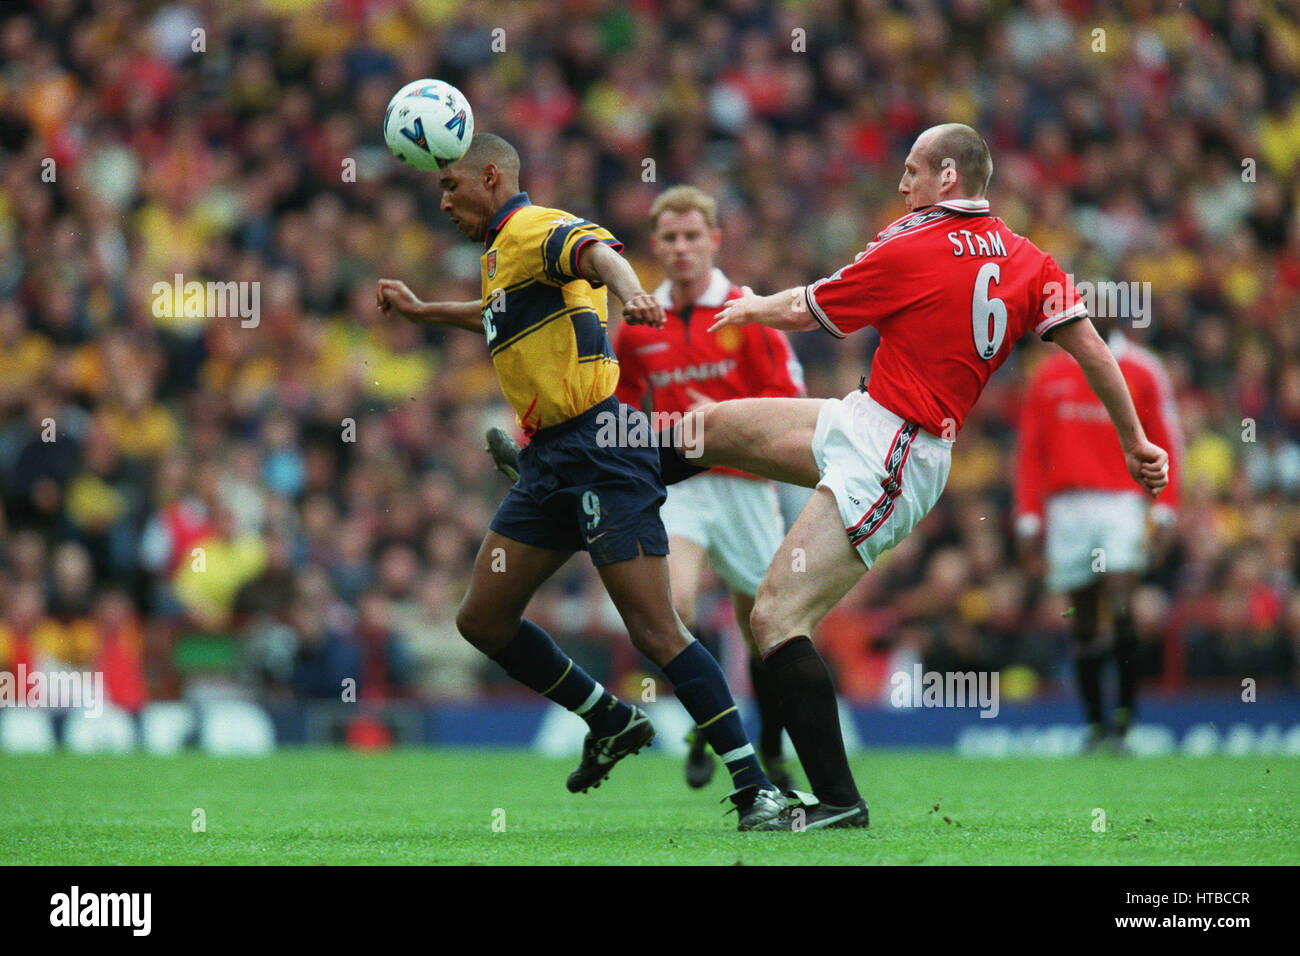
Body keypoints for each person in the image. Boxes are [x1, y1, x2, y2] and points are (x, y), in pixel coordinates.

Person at [661, 123, 1171, 829]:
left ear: (948, 178)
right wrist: (1136, 440)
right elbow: (1093, 352)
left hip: (899, 448)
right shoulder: (1030, 260)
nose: (902, 185)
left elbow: (812, 308)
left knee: (776, 615)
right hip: (868, 418)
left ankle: (839, 804)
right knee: (708, 428)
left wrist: (749, 308)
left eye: (911, 170)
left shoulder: (914, 240)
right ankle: (588, 474)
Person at [375, 134, 785, 829]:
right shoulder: (503, 255)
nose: (442, 200)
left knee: (658, 632)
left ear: (493, 177)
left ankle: (757, 790)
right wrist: (424, 313)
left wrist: (632, 296)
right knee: (482, 618)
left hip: (600, 447)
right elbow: (496, 314)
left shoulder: (532, 227)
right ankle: (609, 719)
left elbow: (597, 250)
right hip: (547, 463)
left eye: (450, 185)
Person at [612, 185, 805, 790]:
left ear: (714, 240)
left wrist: (725, 414)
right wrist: (642, 435)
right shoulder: (640, 325)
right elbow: (619, 406)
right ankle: (710, 723)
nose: (681, 248)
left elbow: (791, 402)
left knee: (765, 627)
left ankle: (769, 749)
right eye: (669, 238)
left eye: (692, 235)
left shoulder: (749, 311)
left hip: (746, 485)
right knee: (676, 608)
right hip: (681, 487)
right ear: (655, 246)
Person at [1014, 323, 1181, 751]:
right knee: (1084, 616)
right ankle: (1096, 727)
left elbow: (1166, 441)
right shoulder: (1046, 375)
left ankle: (1125, 722)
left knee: (1122, 603)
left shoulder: (1143, 369)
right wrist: (1029, 520)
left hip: (1120, 503)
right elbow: (1031, 451)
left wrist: (1164, 508)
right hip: (1067, 507)